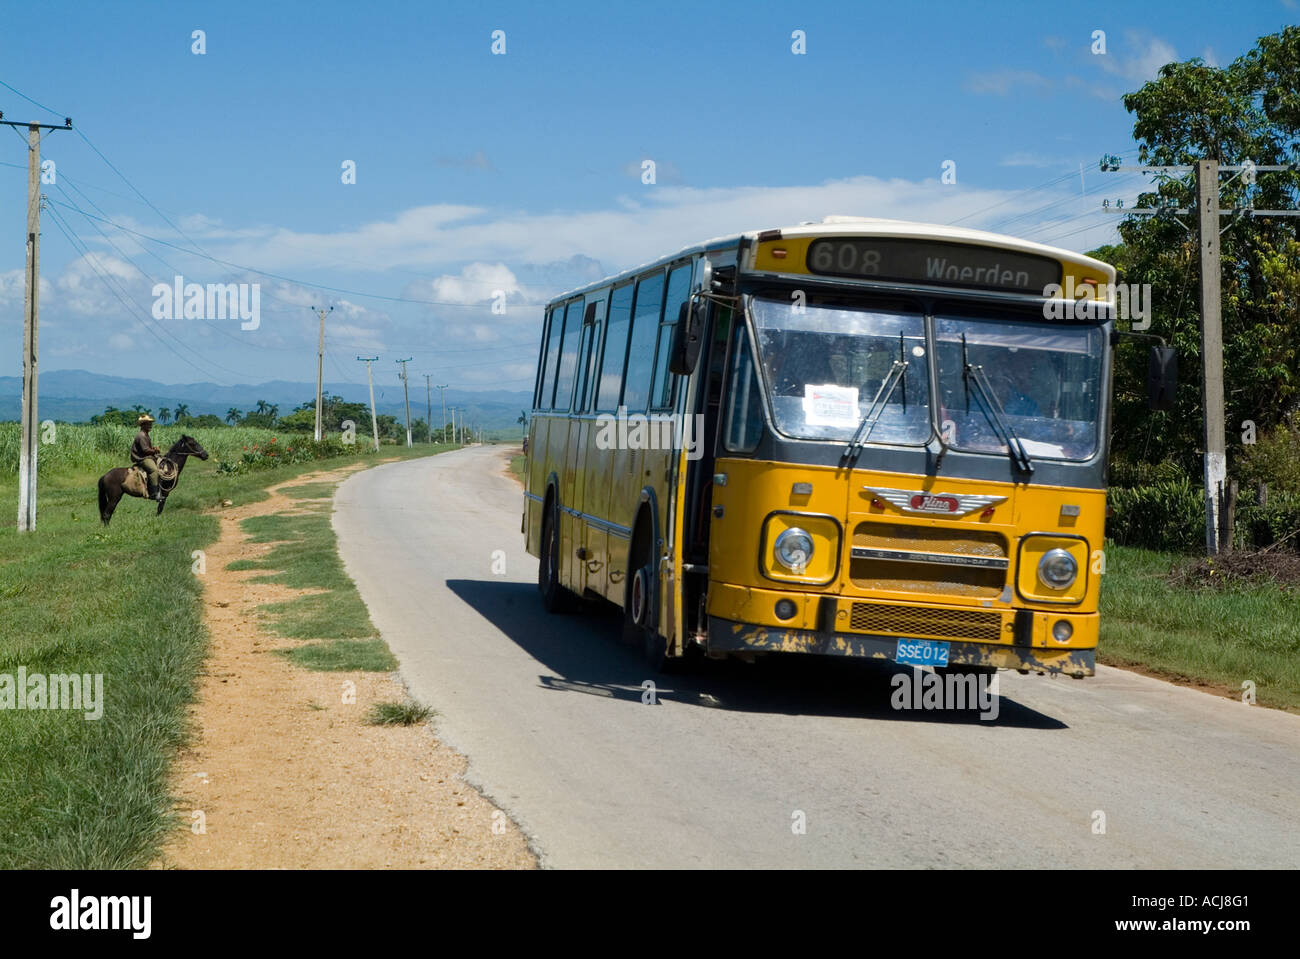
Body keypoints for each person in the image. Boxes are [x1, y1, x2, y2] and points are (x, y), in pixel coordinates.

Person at [130, 414, 164, 501]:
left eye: (150, 424)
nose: (150, 425)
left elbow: (147, 448)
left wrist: (153, 449)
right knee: (154, 470)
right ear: (143, 425)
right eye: (148, 424)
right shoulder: (141, 435)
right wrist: (155, 451)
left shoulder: (145, 434)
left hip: (146, 456)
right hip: (142, 458)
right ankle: (154, 493)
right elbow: (145, 450)